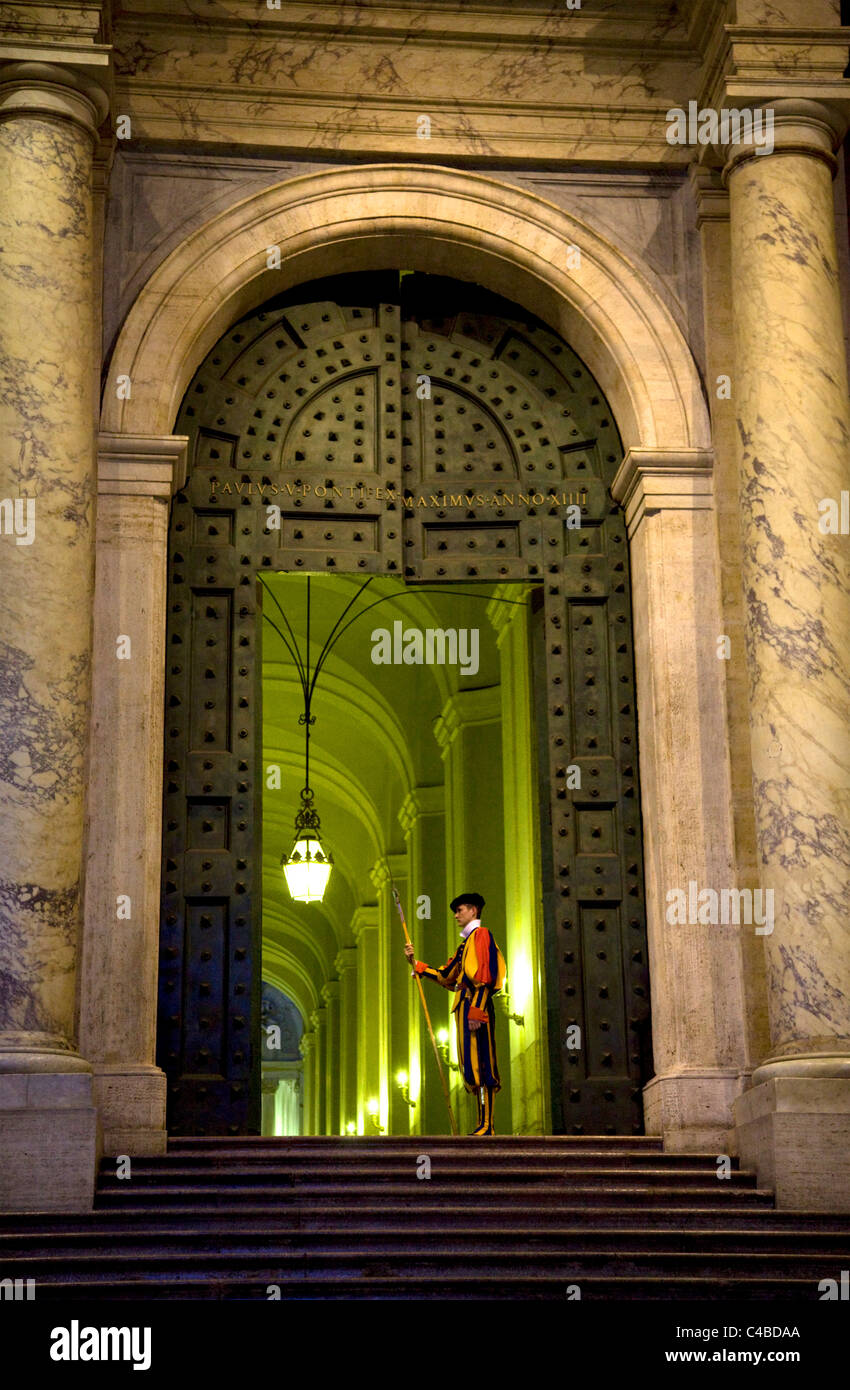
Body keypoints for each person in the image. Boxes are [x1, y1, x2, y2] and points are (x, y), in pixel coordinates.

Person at [404, 892, 506, 1136]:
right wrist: (416, 964)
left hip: (474, 1009)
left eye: (460, 910)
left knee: (483, 1066)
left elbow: (484, 976)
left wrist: (476, 1011)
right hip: (465, 1010)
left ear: (473, 910)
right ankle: (481, 1123)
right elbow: (446, 975)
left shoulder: (481, 936)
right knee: (471, 1069)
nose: (456, 915)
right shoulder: (465, 944)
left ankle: (487, 1125)